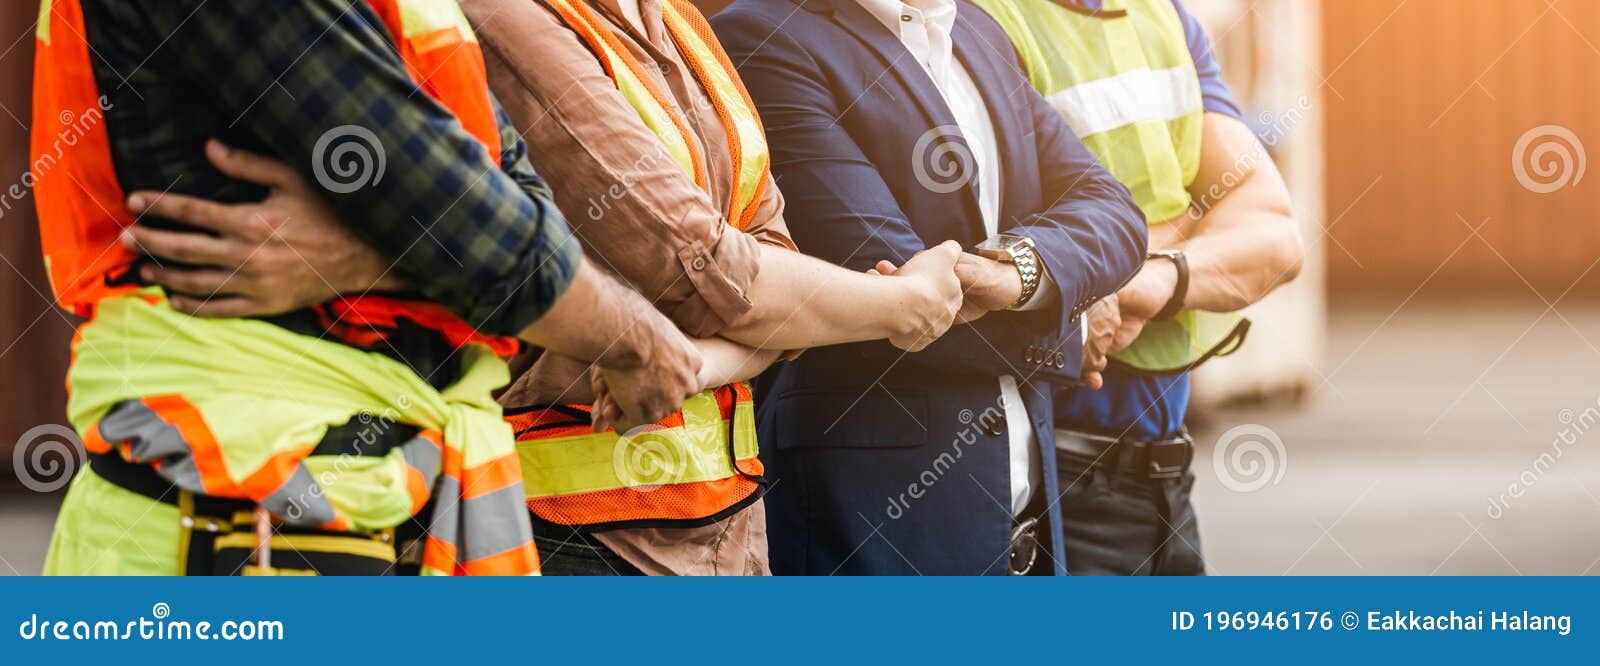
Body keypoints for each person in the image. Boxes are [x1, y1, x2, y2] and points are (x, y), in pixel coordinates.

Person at [115, 0, 967, 575]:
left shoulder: (677, 20)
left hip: (726, 537)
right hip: (569, 535)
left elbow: (768, 261)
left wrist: (694, 358)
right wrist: (896, 305)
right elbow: (704, 269)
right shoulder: (496, 18)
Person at [35, 0, 704, 575]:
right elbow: (472, 223)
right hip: (233, 510)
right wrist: (637, 342)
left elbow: (513, 206)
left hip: (376, 497)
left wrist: (373, 256)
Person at [711, 0, 1149, 574]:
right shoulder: (764, 36)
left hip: (1031, 523)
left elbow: (1111, 207)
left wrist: (1019, 270)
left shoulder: (975, 27)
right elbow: (887, 291)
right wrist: (1076, 328)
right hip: (880, 522)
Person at [968, 0, 1304, 574]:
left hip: (1166, 481)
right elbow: (994, 254)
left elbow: (1273, 235)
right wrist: (1195, 221)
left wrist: (1156, 277)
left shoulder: (1165, 18)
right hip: (1050, 488)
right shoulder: (982, 22)